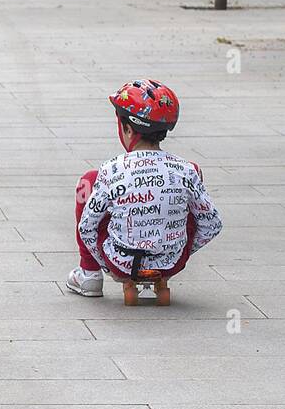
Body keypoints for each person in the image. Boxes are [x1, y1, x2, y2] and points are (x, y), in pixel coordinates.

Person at [70, 79, 223, 304]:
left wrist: (106, 264)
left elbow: (87, 227)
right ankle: (165, 268)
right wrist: (180, 251)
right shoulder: (186, 170)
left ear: (127, 129)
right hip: (172, 262)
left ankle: (89, 274)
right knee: (191, 192)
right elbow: (213, 224)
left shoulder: (111, 170)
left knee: (88, 181)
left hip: (120, 264)